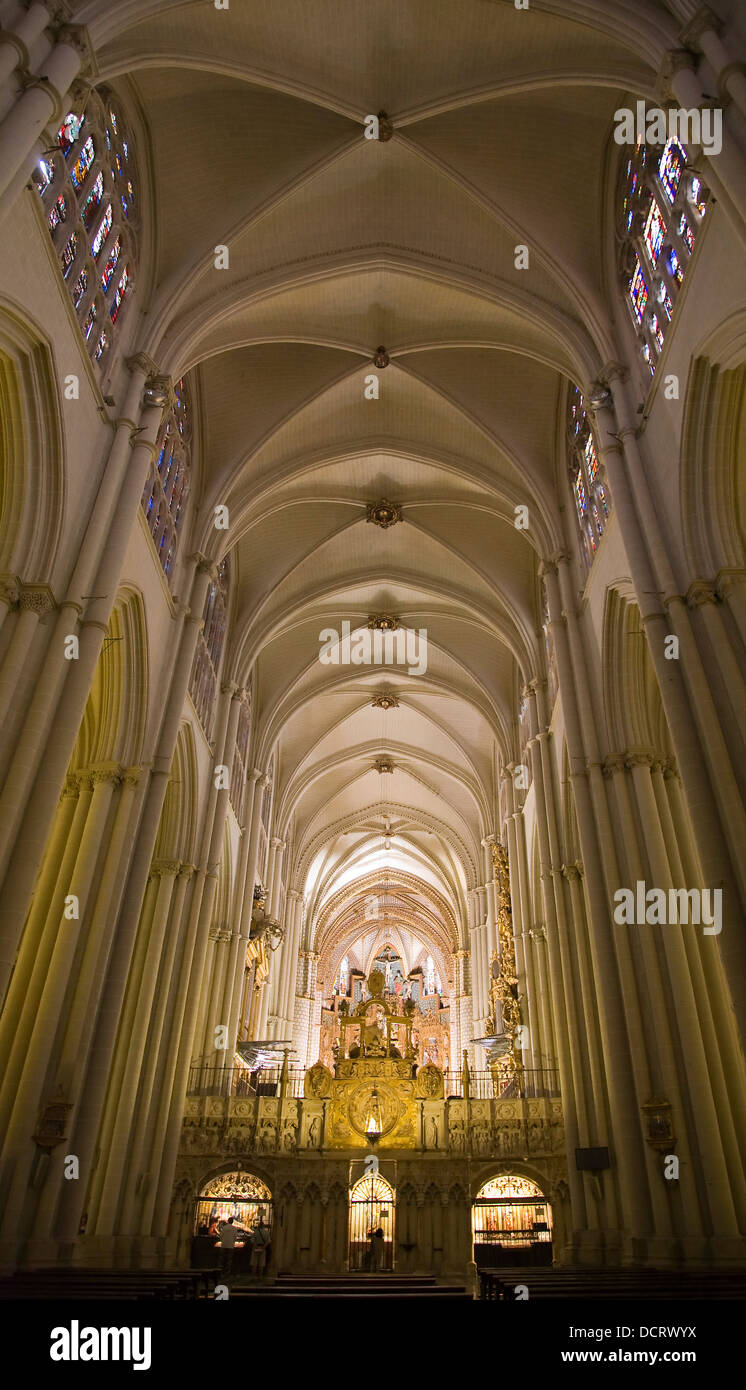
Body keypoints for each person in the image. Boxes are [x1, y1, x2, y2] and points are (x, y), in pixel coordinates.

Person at [250, 1214, 271, 1279]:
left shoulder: (255, 1232)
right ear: (264, 1226)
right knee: (261, 1263)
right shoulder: (266, 1232)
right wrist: (263, 1247)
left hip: (256, 1248)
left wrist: (255, 1247)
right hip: (263, 1248)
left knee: (254, 1263)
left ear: (258, 1226)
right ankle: (260, 1276)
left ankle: (253, 1276)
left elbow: (253, 1240)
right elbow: (268, 1241)